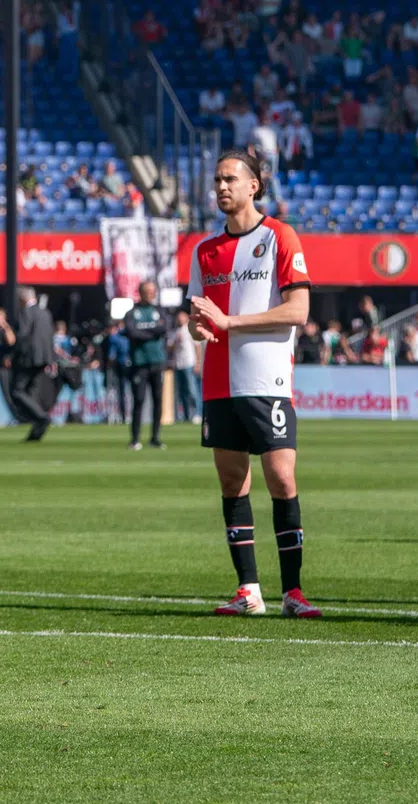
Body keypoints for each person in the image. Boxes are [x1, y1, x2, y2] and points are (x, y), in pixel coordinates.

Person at [186, 150, 321, 619]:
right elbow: (196, 318)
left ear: (254, 186)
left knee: (282, 479)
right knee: (232, 482)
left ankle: (294, 592)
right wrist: (197, 328)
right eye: (217, 180)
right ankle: (249, 591)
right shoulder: (205, 251)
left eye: (230, 179)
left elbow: (297, 312)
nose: (221, 187)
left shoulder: (280, 236)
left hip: (268, 379)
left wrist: (228, 321)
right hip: (219, 382)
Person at [4, 288, 55, 440]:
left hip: (28, 358)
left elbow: (22, 336)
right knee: (32, 392)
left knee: (17, 391)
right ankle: (37, 430)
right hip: (43, 358)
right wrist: (51, 359)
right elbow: (49, 337)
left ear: (23, 299)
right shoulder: (45, 313)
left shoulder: (26, 312)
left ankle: (41, 418)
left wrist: (11, 355)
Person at [124, 280, 169, 450]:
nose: (151, 294)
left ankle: (155, 437)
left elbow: (164, 329)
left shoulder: (159, 311)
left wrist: (145, 333)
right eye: (148, 291)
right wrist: (152, 333)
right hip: (139, 363)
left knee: (158, 400)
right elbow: (132, 332)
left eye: (153, 291)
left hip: (157, 362)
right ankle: (135, 438)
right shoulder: (132, 313)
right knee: (139, 400)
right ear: (141, 292)